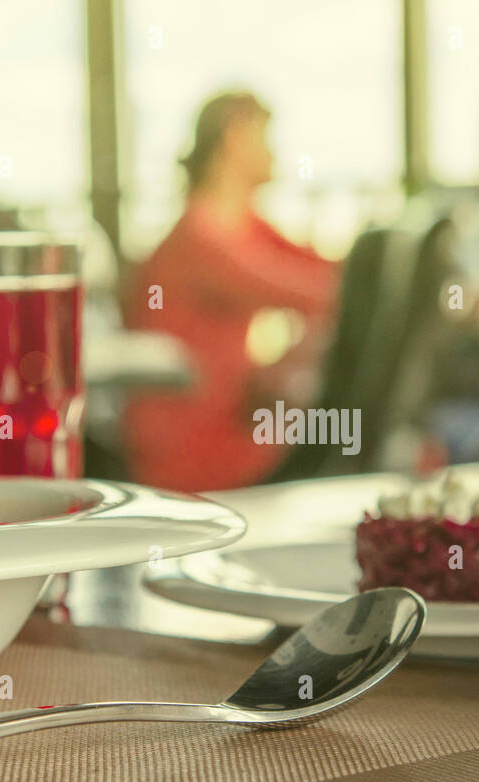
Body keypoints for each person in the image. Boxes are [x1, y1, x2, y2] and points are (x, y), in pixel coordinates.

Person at [123, 91, 339, 492]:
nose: (274, 153)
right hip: (196, 452)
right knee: (355, 440)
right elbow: (320, 293)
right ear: (235, 138)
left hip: (240, 422)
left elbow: (328, 275)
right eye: (265, 138)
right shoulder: (199, 239)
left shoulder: (244, 223)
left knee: (365, 437)